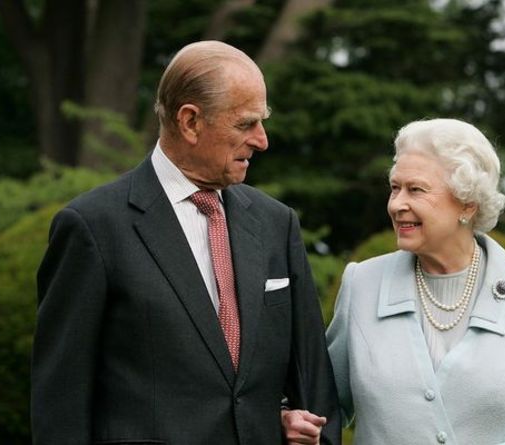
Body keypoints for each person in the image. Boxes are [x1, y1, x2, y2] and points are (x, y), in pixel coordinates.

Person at [32, 40, 340, 445]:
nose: (262, 140)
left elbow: (314, 386)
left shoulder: (276, 223)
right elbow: (60, 405)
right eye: (246, 124)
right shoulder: (92, 227)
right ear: (190, 122)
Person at [284, 118, 505, 444]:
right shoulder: (362, 284)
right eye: (395, 188)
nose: (397, 204)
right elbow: (321, 405)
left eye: (416, 190)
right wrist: (291, 420)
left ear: (467, 203)